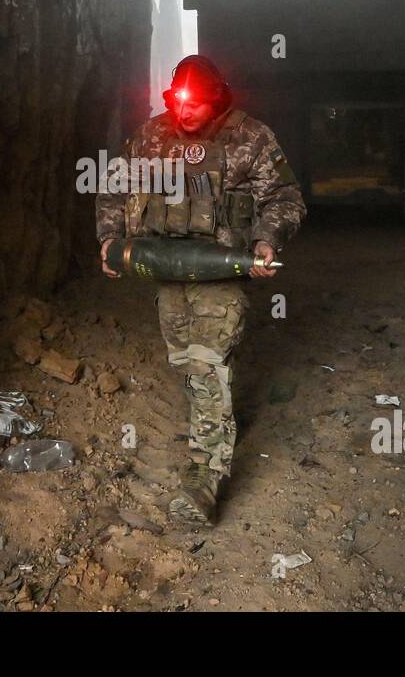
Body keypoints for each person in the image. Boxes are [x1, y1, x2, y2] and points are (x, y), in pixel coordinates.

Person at [95, 55, 306, 525]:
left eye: (197, 105)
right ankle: (215, 423)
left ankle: (205, 479)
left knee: (207, 361)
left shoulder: (251, 137)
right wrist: (110, 238)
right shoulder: (152, 136)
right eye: (178, 104)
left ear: (217, 99)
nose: (185, 114)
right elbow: (114, 186)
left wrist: (267, 240)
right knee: (185, 361)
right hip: (167, 270)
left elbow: (286, 198)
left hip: (221, 275)